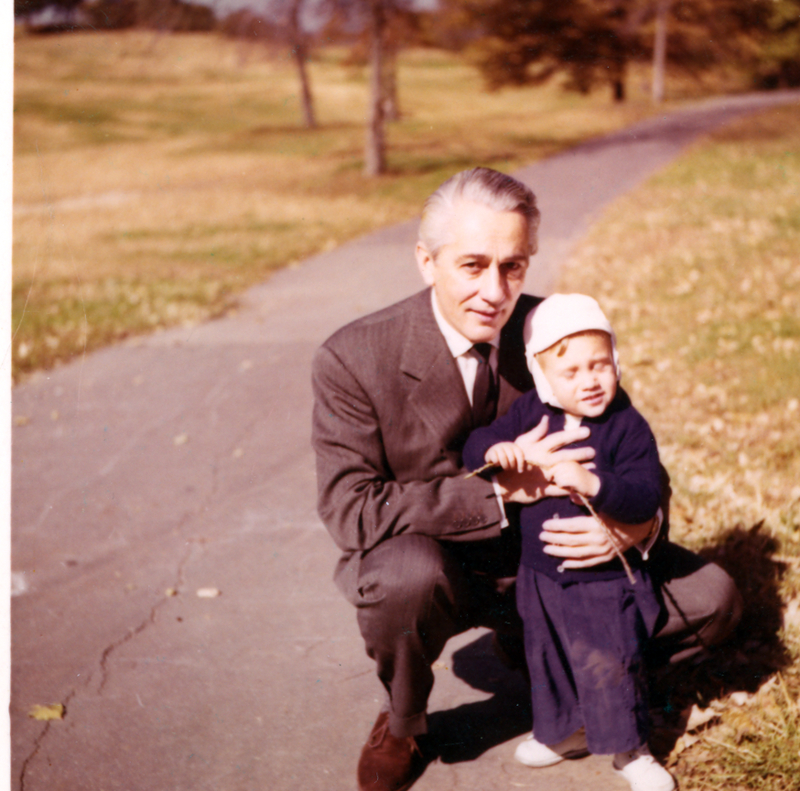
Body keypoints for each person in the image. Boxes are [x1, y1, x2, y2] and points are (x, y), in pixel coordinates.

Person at [311, 167, 742, 791]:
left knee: (715, 599)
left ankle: (568, 671)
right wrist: (496, 492)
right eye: (472, 265)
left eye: (513, 266)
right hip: (442, 567)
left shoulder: (559, 331)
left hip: (563, 569)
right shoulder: (352, 357)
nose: (495, 291)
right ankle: (405, 721)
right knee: (400, 577)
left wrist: (634, 528)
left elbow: (635, 452)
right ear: (426, 262)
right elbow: (350, 510)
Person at [463, 293, 674, 791]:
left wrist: (598, 486)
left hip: (601, 579)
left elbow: (646, 493)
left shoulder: (626, 426)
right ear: (543, 377)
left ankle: (630, 749)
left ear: (616, 362)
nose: (590, 381)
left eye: (600, 365)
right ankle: (563, 730)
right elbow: (475, 445)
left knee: (610, 659)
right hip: (540, 574)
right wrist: (497, 449)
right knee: (548, 655)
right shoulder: (530, 413)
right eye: (572, 371)